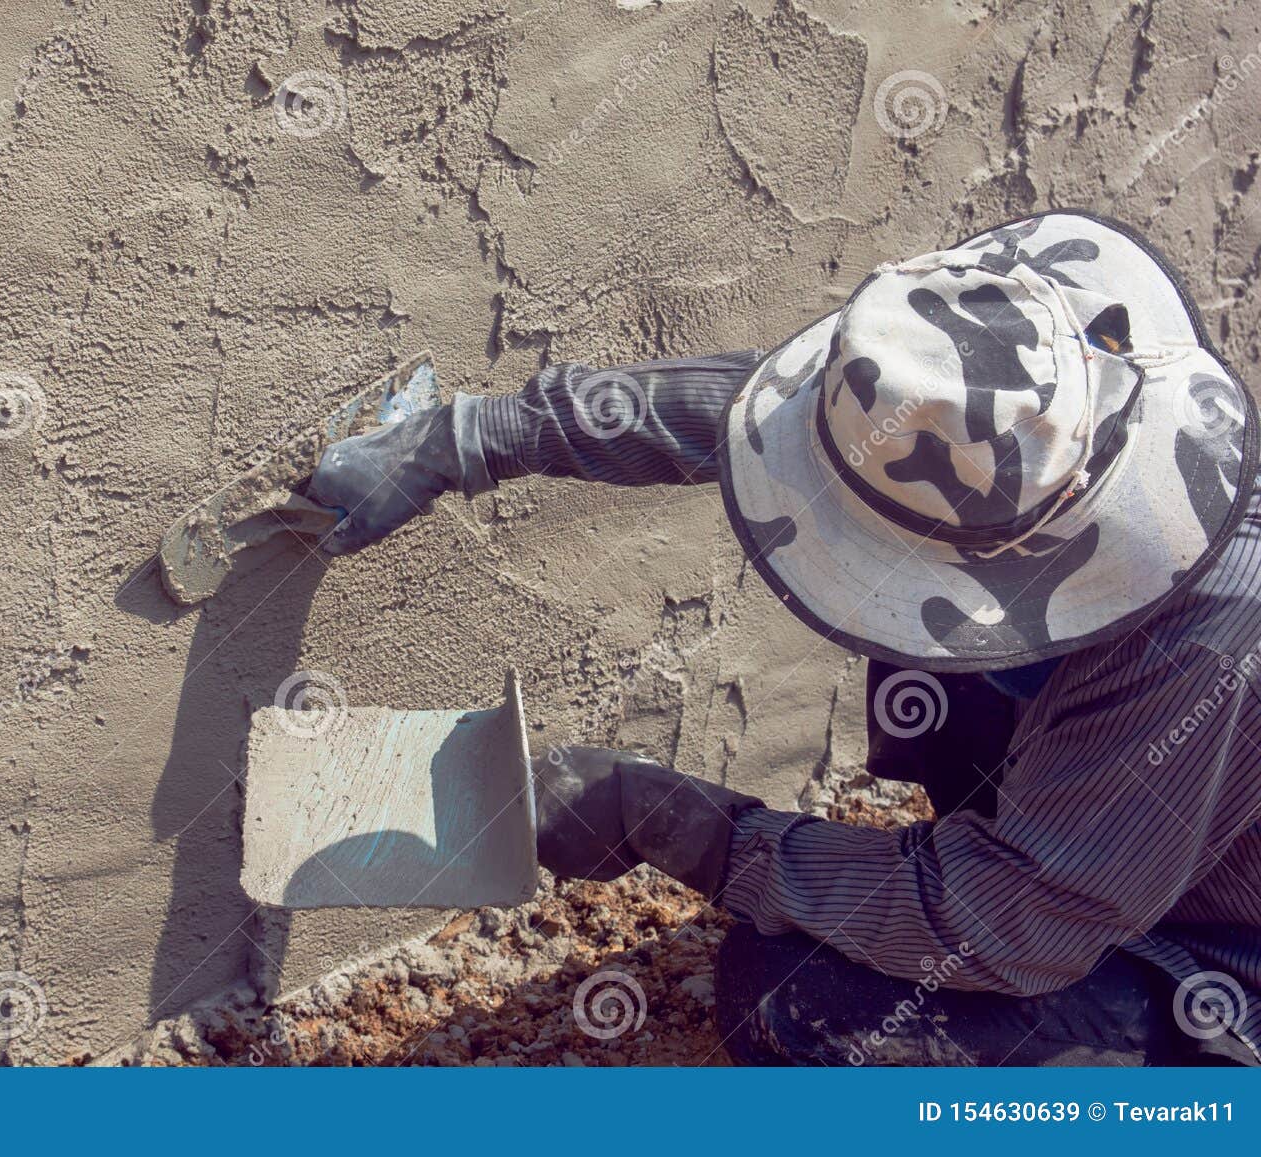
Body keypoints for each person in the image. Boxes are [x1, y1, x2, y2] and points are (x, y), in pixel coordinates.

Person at [304, 211, 1261, 1066]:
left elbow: (1014, 920)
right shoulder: (1069, 383)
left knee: (797, 1004)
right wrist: (478, 436)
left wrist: (686, 827)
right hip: (1115, 819)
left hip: (1220, 957)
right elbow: (782, 426)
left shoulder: (1201, 639)